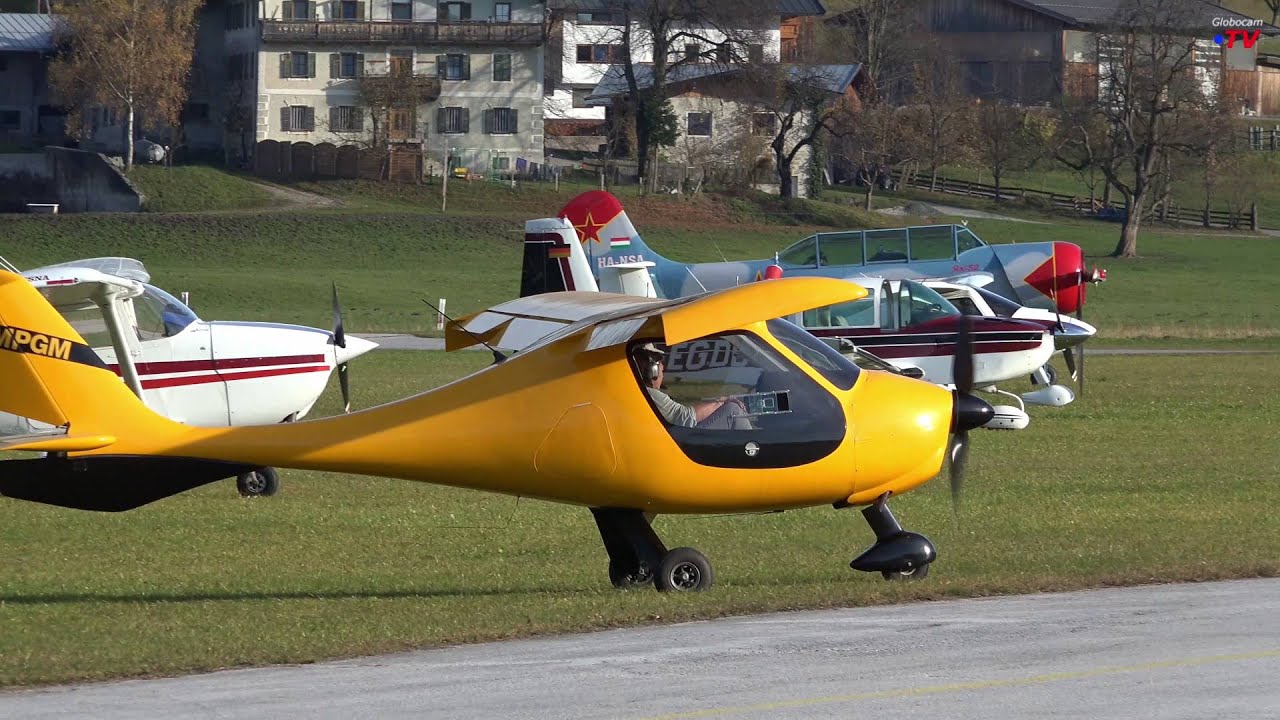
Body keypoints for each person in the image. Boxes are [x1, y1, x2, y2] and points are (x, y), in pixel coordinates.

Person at [632, 342, 751, 430]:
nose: (662, 376)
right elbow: (686, 417)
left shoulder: (639, 391)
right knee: (732, 410)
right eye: (661, 371)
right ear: (652, 372)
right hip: (677, 446)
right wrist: (721, 401)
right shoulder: (650, 394)